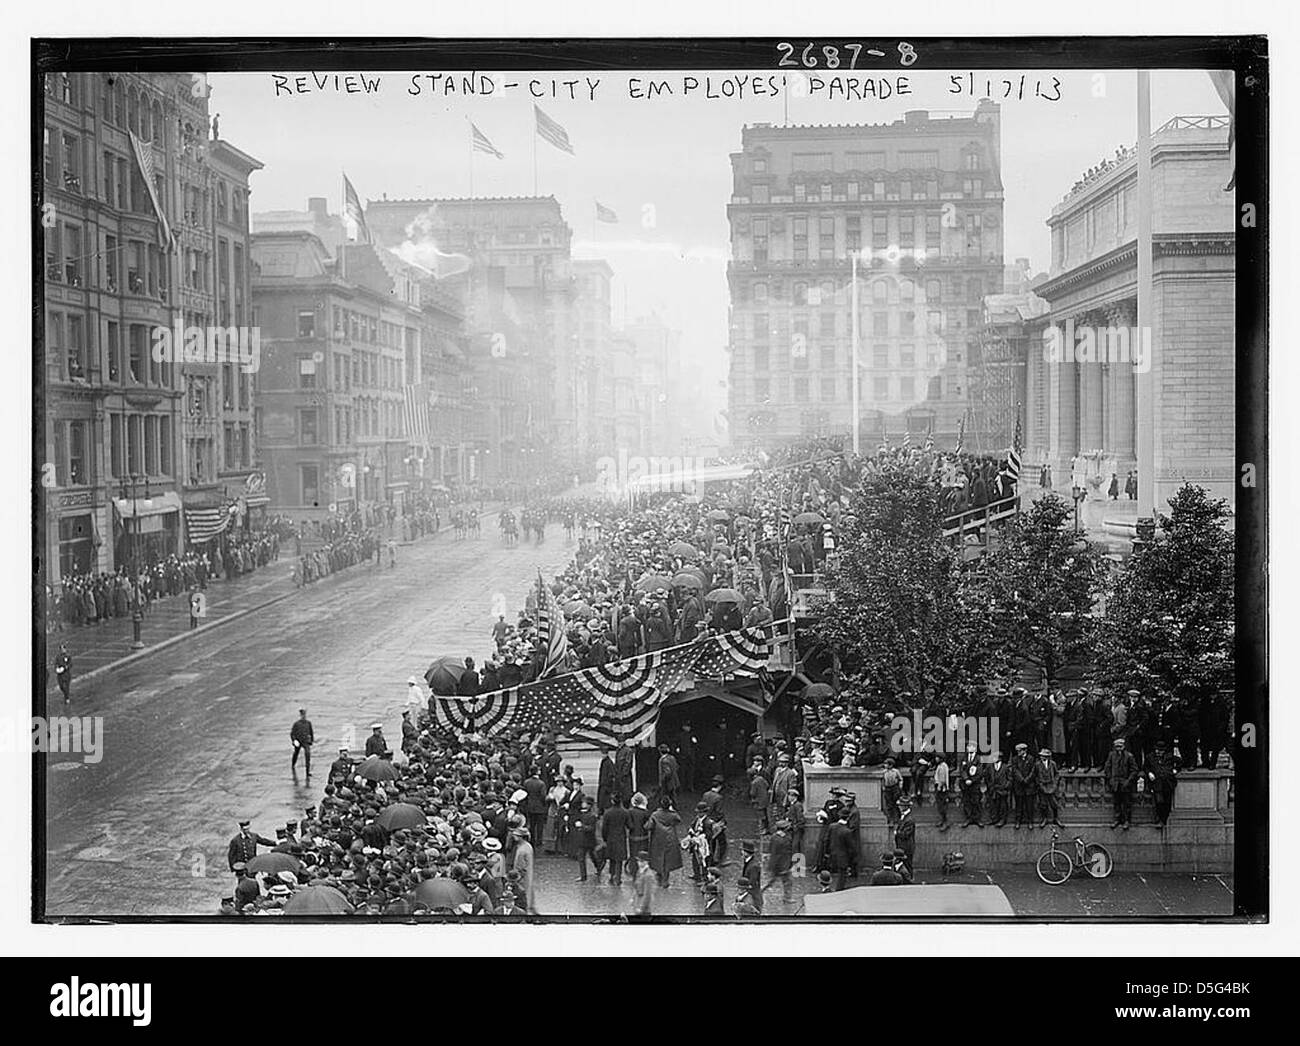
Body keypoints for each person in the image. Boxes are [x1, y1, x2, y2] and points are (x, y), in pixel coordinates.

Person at [1103, 737, 1139, 829]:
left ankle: (1126, 820)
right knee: (1116, 802)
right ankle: (1117, 819)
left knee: (1126, 803)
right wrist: (1110, 779)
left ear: (1124, 746)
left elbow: (1134, 770)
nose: (1119, 748)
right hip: (1115, 783)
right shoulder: (1111, 755)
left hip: (1125, 783)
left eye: (1120, 746)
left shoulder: (1129, 756)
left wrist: (1128, 780)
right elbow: (1107, 767)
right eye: (1117, 747)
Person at [647, 796, 683, 888]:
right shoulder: (673, 815)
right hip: (670, 838)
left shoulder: (655, 814)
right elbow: (679, 820)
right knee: (668, 858)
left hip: (657, 838)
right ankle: (665, 880)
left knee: (658, 856)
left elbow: (649, 826)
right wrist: (673, 810)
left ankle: (659, 874)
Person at [1146, 739, 1179, 828]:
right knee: (1159, 801)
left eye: (1160, 750)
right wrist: (1149, 773)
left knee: (1167, 802)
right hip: (1157, 783)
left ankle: (1164, 819)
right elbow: (1146, 767)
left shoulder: (1170, 757)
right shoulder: (1150, 757)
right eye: (1157, 750)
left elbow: (1180, 762)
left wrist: (1175, 770)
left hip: (1167, 782)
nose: (1158, 752)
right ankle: (1160, 819)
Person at [600, 797, 632, 887]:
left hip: (610, 837)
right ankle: (618, 878)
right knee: (619, 859)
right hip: (621, 837)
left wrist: (605, 838)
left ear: (612, 801)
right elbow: (630, 825)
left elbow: (604, 828)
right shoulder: (625, 812)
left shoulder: (607, 812)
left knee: (612, 858)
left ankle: (611, 875)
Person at [764, 819, 795, 903]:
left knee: (782, 881)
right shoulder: (781, 839)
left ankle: (787, 897)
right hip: (781, 865)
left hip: (782, 864)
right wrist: (780, 867)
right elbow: (776, 854)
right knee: (786, 881)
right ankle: (787, 898)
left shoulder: (776, 837)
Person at [827, 808, 855, 891]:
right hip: (843, 857)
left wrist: (827, 853)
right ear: (848, 818)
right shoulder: (847, 831)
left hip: (832, 855)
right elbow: (851, 847)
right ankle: (839, 891)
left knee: (833, 875)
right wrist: (852, 859)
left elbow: (826, 840)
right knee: (842, 877)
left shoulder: (831, 826)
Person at [1035, 747, 1063, 829]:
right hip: (1042, 786)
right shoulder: (1037, 765)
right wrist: (1039, 784)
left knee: (1054, 803)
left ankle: (1056, 818)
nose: (1042, 757)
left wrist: (1055, 783)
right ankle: (1045, 819)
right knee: (1043, 803)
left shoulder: (1053, 764)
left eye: (1044, 756)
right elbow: (1035, 776)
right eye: (1041, 756)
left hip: (1051, 786)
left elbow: (1057, 774)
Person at [510, 827, 536, 913]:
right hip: (528, 874)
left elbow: (520, 867)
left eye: (516, 835)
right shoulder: (528, 846)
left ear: (520, 837)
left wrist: (515, 878)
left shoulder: (522, 850)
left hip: (522, 878)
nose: (514, 836)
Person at [1010, 742, 1036, 829]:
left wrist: (1027, 780)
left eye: (1020, 751)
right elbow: (1015, 770)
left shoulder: (1031, 759)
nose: (1018, 753)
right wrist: (1021, 779)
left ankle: (1030, 821)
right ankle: (1018, 821)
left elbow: (1033, 771)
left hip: (1029, 785)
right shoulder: (1014, 759)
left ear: (1024, 751)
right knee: (1019, 805)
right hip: (1019, 785)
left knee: (1029, 805)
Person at [984, 750, 1011, 827]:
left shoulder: (1005, 767)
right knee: (993, 805)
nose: (993, 759)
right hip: (993, 789)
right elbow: (986, 777)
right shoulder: (989, 766)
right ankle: (994, 819)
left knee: (1002, 805)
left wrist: (1005, 786)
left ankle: (1002, 820)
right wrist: (989, 786)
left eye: (995, 757)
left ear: (1000, 758)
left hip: (1002, 790)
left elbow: (1010, 779)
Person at [893, 795, 916, 877]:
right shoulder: (904, 817)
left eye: (900, 805)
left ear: (905, 806)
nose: (899, 807)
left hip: (907, 847)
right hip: (902, 846)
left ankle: (909, 880)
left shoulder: (909, 819)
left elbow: (906, 834)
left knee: (907, 865)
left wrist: (897, 833)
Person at [630, 851, 657, 917]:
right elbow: (636, 887)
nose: (639, 863)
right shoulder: (640, 871)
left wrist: (642, 908)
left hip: (644, 907)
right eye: (638, 861)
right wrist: (633, 898)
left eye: (641, 861)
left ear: (646, 862)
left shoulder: (648, 875)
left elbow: (648, 894)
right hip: (638, 902)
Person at [739, 840, 763, 913]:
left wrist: (742, 896)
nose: (741, 852)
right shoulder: (748, 861)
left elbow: (751, 884)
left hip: (753, 899)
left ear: (746, 852)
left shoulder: (753, 866)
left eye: (743, 851)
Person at [290, 708, 314, 776]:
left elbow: (311, 732)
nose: (304, 716)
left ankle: (307, 772)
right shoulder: (296, 724)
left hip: (306, 741)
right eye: (302, 715)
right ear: (300, 715)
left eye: (304, 715)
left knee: (308, 755)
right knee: (296, 753)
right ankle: (293, 765)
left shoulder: (308, 723)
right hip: (298, 741)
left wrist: (311, 740)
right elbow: (292, 734)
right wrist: (294, 740)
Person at [932, 757, 951, 831]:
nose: (936, 759)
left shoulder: (943, 766)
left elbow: (943, 779)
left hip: (942, 788)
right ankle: (942, 820)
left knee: (943, 806)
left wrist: (940, 786)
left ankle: (946, 822)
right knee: (940, 805)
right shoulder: (940, 765)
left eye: (937, 757)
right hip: (940, 787)